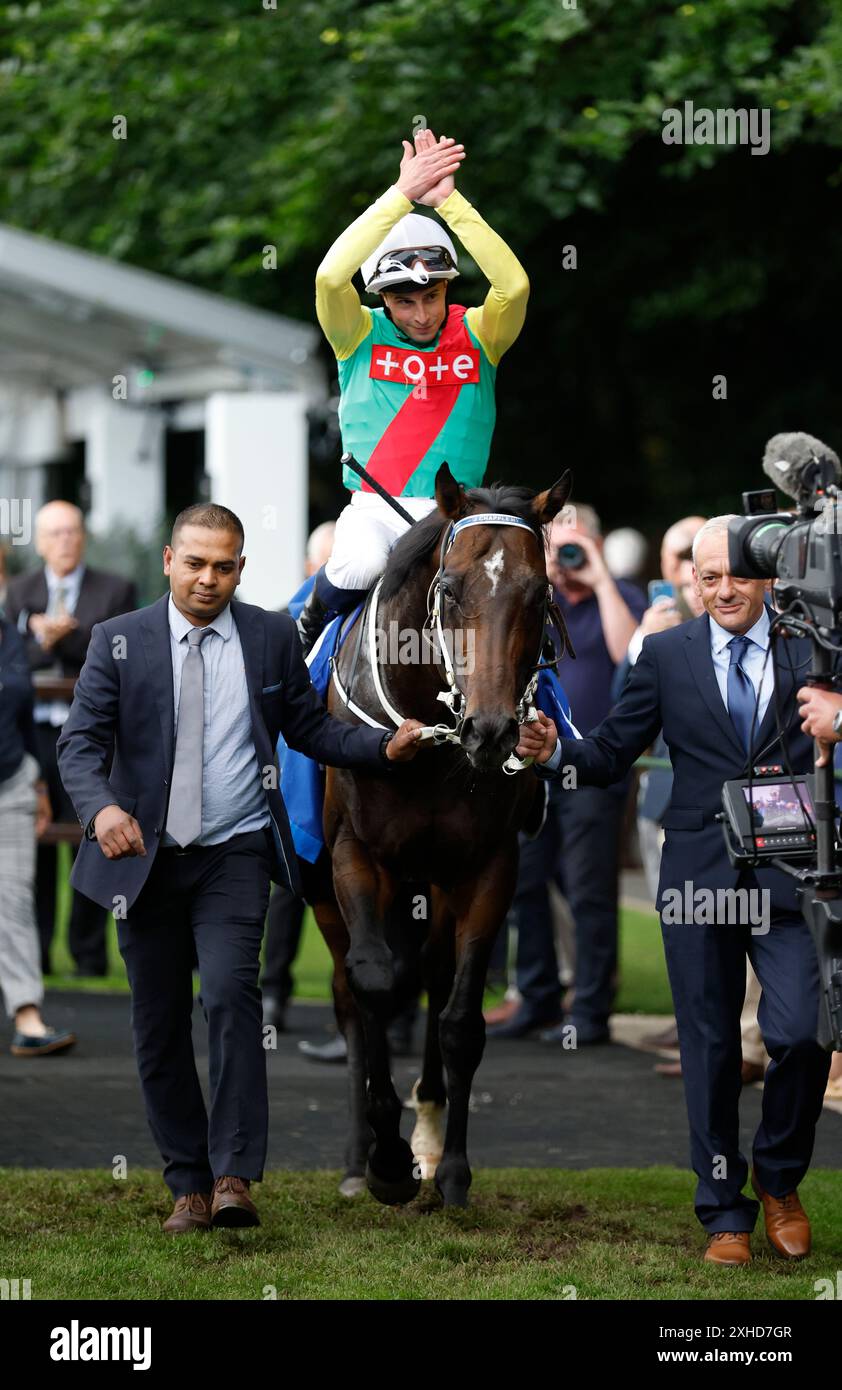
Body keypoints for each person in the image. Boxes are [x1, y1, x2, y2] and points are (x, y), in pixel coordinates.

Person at [56, 503, 425, 1234]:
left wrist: (381, 747)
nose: (208, 578)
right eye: (195, 563)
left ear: (241, 569)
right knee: (157, 1022)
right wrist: (100, 812)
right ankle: (186, 1184)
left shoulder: (268, 637)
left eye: (224, 566)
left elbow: (309, 728)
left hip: (236, 851)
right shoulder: (117, 641)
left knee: (230, 999)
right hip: (145, 864)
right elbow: (78, 746)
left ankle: (232, 1179)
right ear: (168, 560)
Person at [517, 515, 831, 1265]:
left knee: (802, 1033)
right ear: (692, 580)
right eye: (709, 576)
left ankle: (781, 1179)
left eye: (739, 575)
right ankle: (724, 1208)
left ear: (768, 578)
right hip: (699, 878)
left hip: (793, 877)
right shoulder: (663, 653)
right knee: (712, 1047)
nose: (725, 590)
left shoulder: (812, 648)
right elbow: (612, 753)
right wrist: (556, 747)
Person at [297, 124, 529, 651]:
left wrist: (449, 202)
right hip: (375, 511)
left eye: (433, 295)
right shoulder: (355, 332)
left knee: (514, 586)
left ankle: (551, 715)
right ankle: (303, 638)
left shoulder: (479, 333)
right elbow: (330, 279)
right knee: (360, 563)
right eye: (405, 301)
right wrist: (401, 196)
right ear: (382, 297)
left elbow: (513, 286)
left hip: (460, 514)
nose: (422, 313)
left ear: (448, 286)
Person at [488, 503, 645, 1042]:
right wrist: (544, 573)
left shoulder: (622, 597)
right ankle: (537, 998)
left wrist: (599, 578)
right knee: (525, 882)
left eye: (578, 546)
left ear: (598, 548)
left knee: (588, 890)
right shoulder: (539, 602)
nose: (568, 557)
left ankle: (592, 1011)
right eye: (558, 546)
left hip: (594, 767)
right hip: (535, 763)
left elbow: (630, 654)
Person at [5, 501, 136, 976]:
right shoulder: (19, 592)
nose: (65, 540)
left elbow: (119, 653)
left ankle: (88, 957)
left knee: (93, 840)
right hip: (34, 736)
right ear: (40, 541)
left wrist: (66, 637)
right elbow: (11, 659)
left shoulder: (116, 590)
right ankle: (36, 956)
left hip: (93, 740)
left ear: (83, 537)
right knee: (34, 840)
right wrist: (40, 639)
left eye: (73, 531)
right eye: (55, 533)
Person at [0, 611, 75, 1056]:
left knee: (15, 900)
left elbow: (22, 713)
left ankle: (28, 1016)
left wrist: (40, 783)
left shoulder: (8, 635)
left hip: (13, 784)